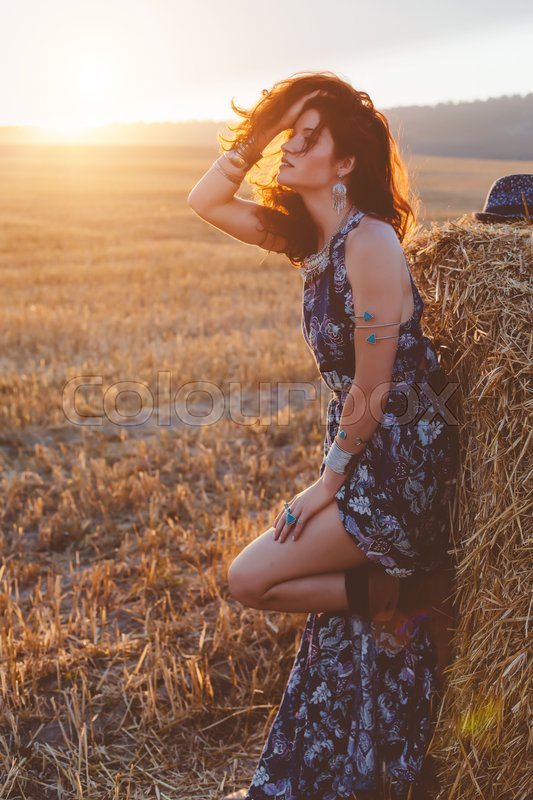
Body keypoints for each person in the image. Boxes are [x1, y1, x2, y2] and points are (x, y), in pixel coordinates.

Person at [187, 71, 459, 800]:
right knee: (275, 586)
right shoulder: (312, 237)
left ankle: (403, 587)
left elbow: (376, 383)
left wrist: (327, 481)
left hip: (399, 458)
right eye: (288, 140)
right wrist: (268, 124)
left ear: (345, 165)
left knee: (250, 577)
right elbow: (204, 200)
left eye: (309, 141)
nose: (289, 150)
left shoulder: (368, 242)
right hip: (362, 448)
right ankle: (386, 593)